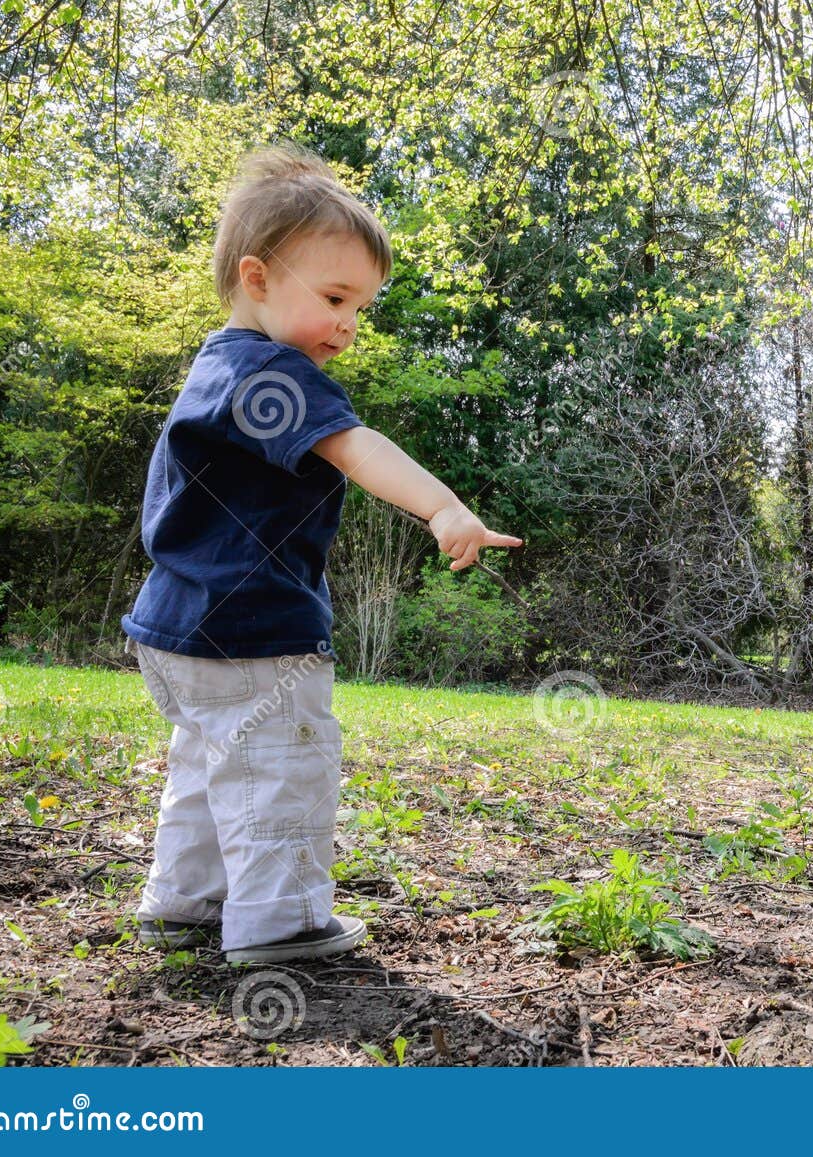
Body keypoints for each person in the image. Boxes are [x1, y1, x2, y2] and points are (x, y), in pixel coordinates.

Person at [120, 143, 522, 964]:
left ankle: (184, 899)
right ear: (258, 277)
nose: (347, 323)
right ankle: (282, 920)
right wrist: (443, 506)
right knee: (279, 767)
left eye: (361, 308)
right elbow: (357, 448)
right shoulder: (277, 373)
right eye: (336, 296)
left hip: (172, 629)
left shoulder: (215, 363)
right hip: (256, 632)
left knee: (205, 765)